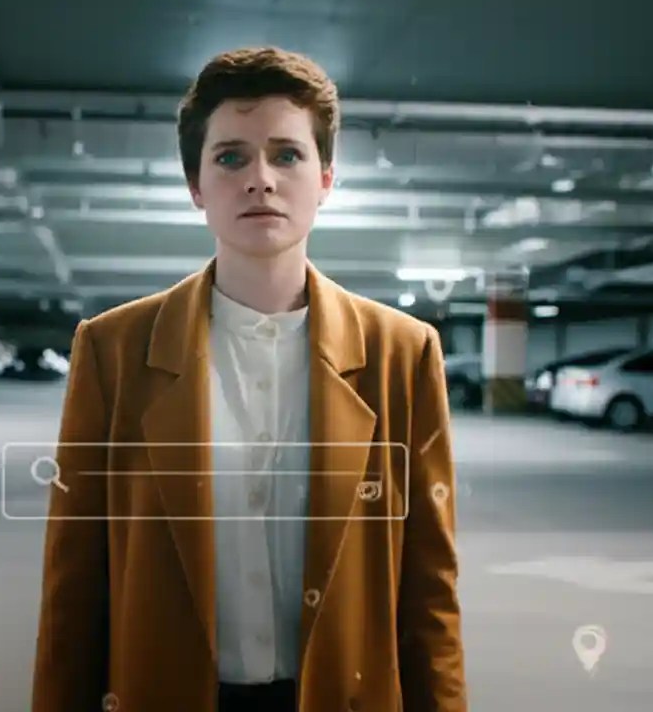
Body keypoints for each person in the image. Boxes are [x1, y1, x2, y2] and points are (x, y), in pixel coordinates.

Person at [32, 46, 467, 712]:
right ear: (196, 187)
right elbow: (74, 588)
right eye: (231, 156)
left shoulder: (401, 355)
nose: (260, 178)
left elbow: (429, 592)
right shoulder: (112, 351)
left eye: (287, 154)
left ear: (325, 180)